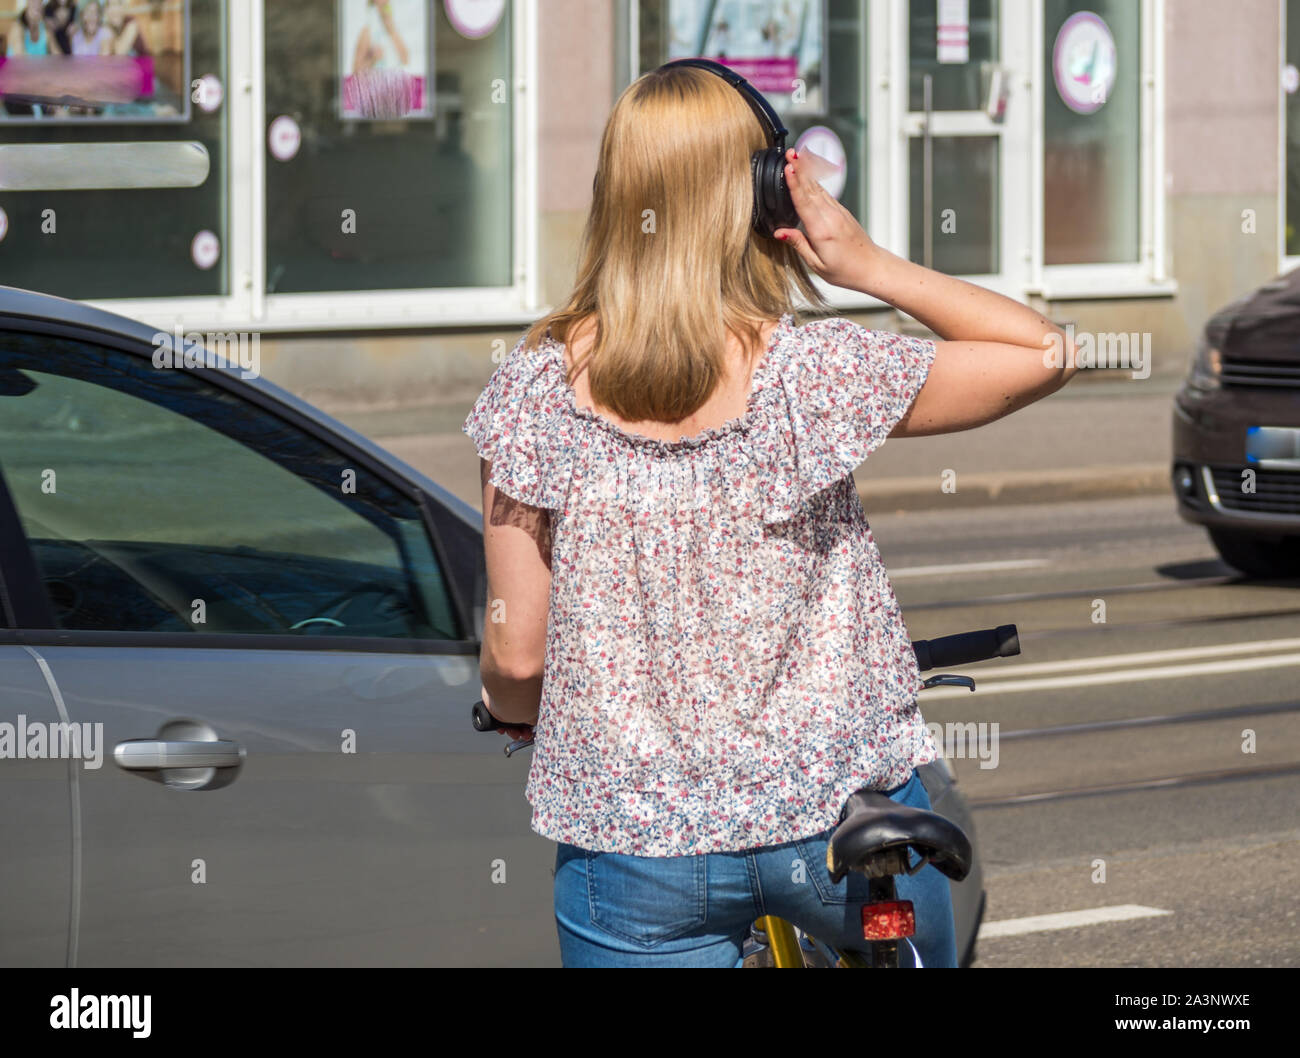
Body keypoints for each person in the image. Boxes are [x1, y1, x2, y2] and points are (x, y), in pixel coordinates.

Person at [463, 63, 1079, 968]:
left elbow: (518, 655)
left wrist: (512, 710)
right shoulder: (809, 374)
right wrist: (865, 264)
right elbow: (1045, 351)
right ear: (758, 200)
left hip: (635, 854)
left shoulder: (531, 392)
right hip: (836, 827)